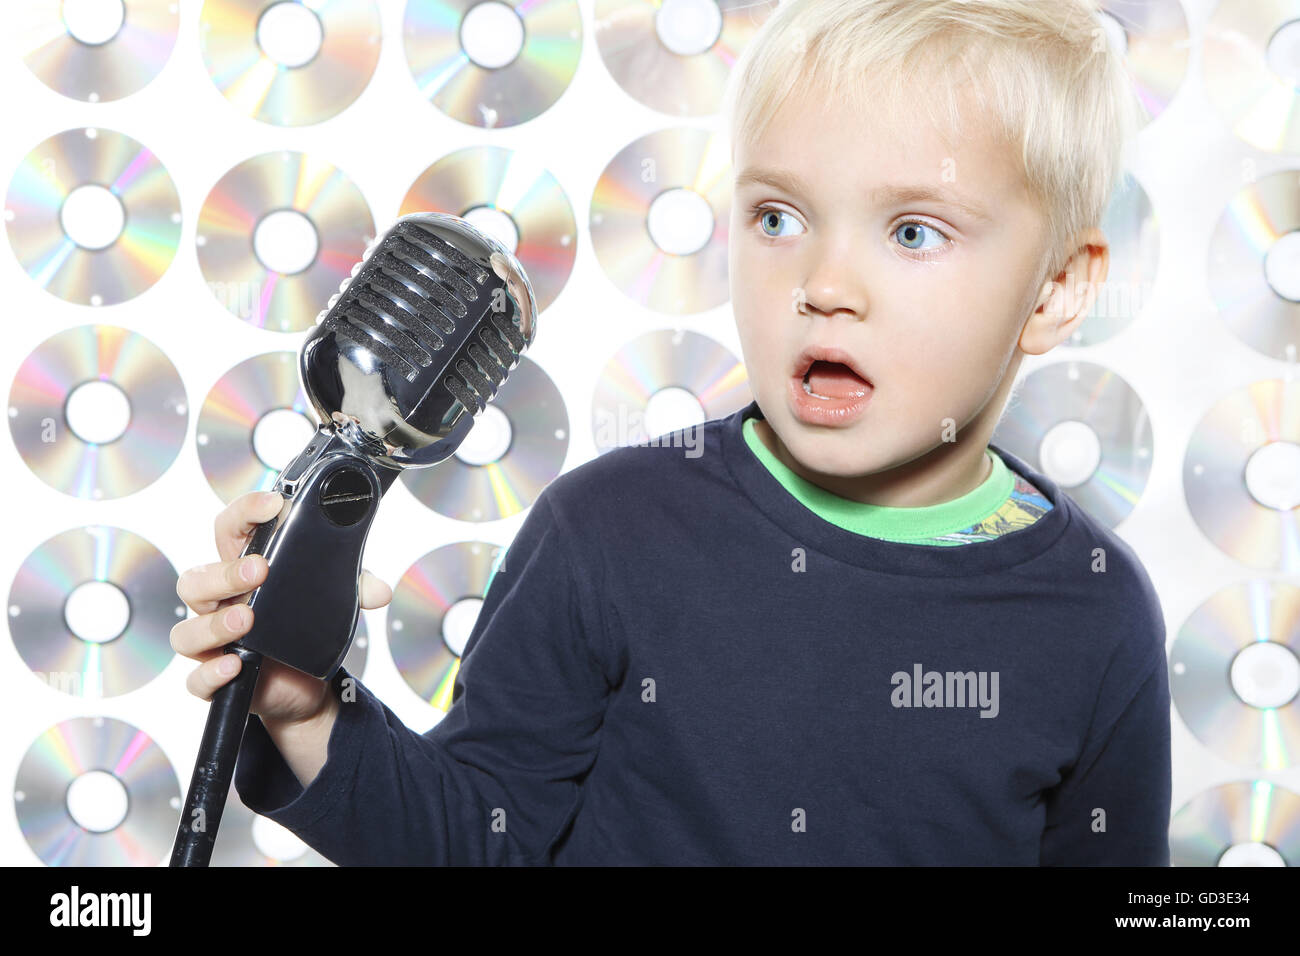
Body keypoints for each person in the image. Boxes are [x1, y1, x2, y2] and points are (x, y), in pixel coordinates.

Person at [172, 0, 1169, 864]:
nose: (823, 285)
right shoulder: (608, 531)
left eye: (912, 231)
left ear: (1055, 290)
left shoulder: (1097, 613)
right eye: (779, 217)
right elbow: (477, 840)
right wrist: (305, 713)